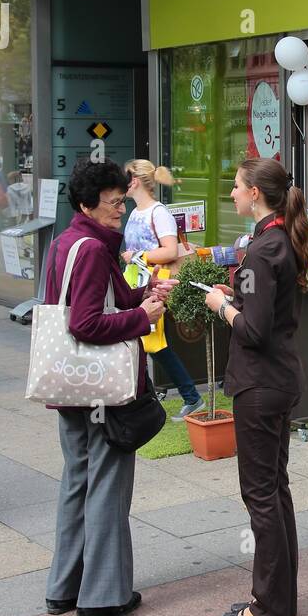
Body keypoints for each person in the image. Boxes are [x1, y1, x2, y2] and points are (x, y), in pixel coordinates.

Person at [43, 158, 173, 616]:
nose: (122, 209)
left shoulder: (66, 242)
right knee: (106, 488)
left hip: (68, 384)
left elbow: (95, 301)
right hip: (100, 389)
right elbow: (86, 322)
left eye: (123, 200)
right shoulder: (95, 250)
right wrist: (144, 318)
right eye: (114, 203)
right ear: (86, 204)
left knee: (78, 482)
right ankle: (102, 597)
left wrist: (146, 292)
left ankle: (65, 588)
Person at [204, 158, 308, 616]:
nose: (231, 193)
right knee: (274, 490)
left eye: (236, 187)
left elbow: (254, 329)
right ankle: (277, 599)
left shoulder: (265, 248)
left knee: (261, 495)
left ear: (254, 194)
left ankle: (268, 606)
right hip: (275, 381)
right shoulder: (273, 241)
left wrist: (221, 305)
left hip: (260, 384)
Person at [122, 159, 203, 420]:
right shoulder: (136, 212)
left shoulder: (158, 213)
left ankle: (189, 396)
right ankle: (177, 396)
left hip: (153, 281)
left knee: (152, 342)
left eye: (126, 178)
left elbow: (169, 250)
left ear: (134, 181)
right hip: (137, 280)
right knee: (147, 341)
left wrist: (137, 255)